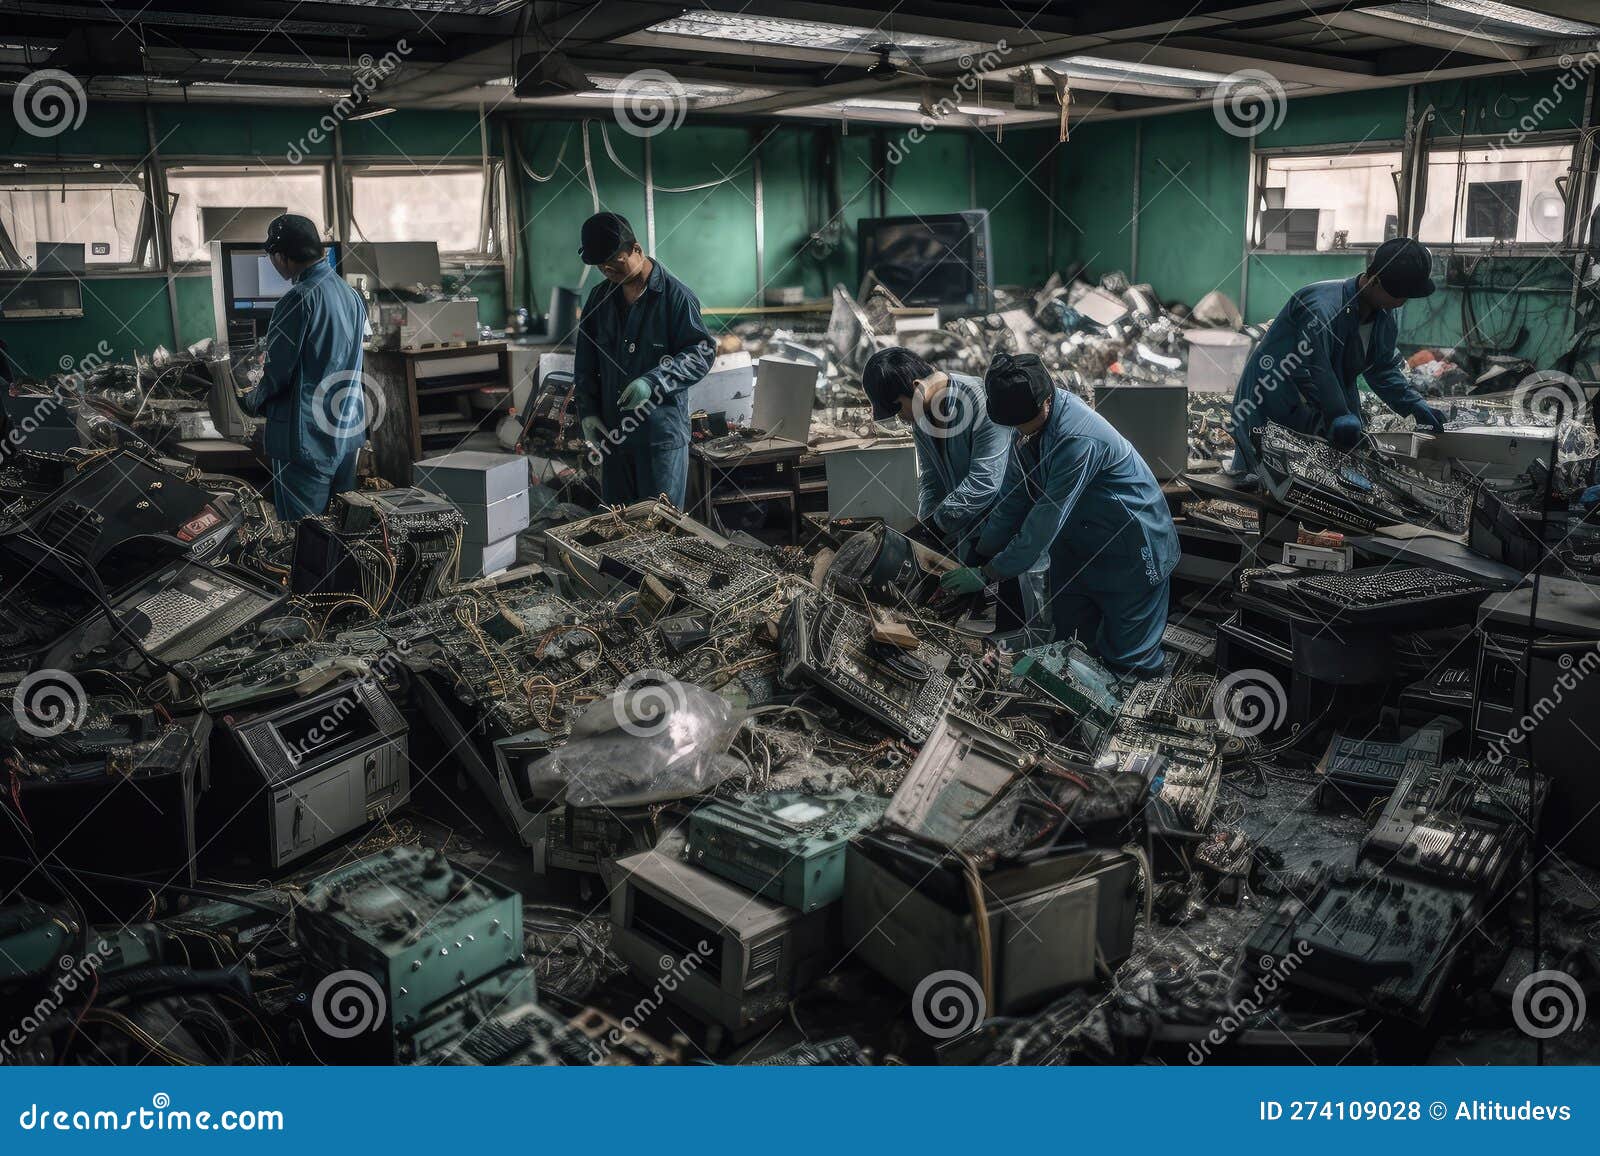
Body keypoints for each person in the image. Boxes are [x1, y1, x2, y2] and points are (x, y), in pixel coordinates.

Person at [939, 353, 1180, 677]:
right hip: (1080, 544)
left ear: (1047, 400)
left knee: (1129, 658)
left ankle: (1139, 722)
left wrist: (989, 573)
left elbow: (1044, 521)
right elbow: (1013, 499)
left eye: (1025, 421)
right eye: (1014, 425)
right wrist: (980, 551)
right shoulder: (1024, 428)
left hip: (1131, 546)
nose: (1019, 430)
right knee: (1072, 647)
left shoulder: (1077, 439)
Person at [1229, 236, 1446, 475]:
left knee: (1326, 479)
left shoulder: (1383, 316)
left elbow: (1381, 370)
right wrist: (1339, 414)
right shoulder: (1322, 308)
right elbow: (1317, 369)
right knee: (1267, 477)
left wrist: (1412, 404)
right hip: (1273, 400)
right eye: (1398, 294)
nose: (1402, 302)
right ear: (1373, 281)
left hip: (1321, 401)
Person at [573, 211, 714, 508]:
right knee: (617, 527)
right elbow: (585, 364)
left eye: (615, 261)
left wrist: (654, 382)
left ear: (636, 249)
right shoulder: (598, 301)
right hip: (614, 439)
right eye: (601, 266)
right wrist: (587, 411)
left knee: (659, 528)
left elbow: (700, 353)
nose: (608, 269)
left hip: (659, 440)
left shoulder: (676, 297)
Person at [240, 213, 367, 520]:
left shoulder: (297, 299)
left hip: (306, 438)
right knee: (341, 530)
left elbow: (278, 374)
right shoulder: (350, 295)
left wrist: (250, 401)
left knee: (304, 539)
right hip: (345, 432)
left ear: (281, 256)